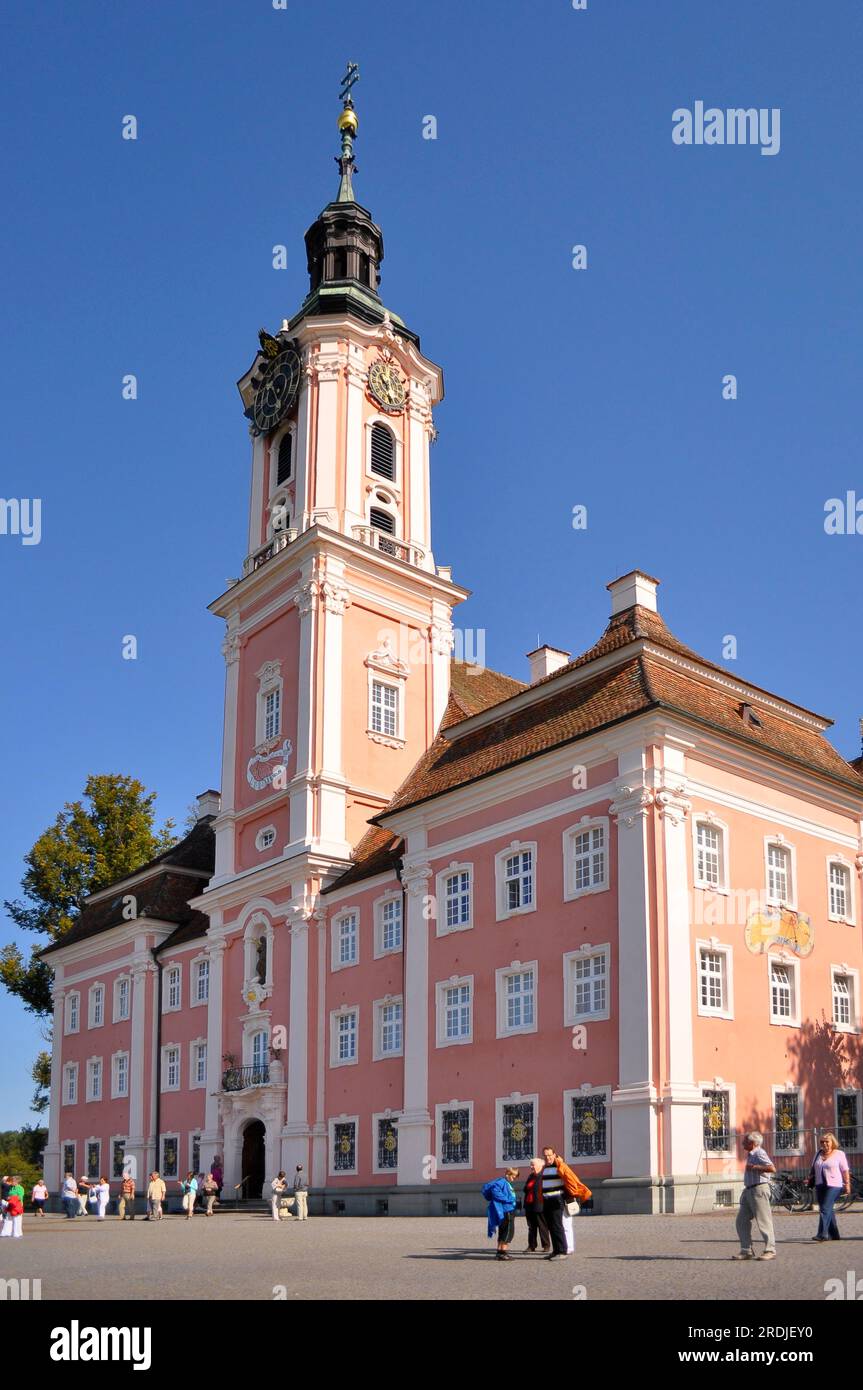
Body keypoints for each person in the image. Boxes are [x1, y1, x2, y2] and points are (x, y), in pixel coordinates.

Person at [733, 1131, 777, 1261]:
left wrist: (755, 1167)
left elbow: (772, 1168)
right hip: (749, 1190)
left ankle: (770, 1250)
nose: (742, 1143)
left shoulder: (759, 1153)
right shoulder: (751, 1153)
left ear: (752, 1143)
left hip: (759, 1189)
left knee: (764, 1221)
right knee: (741, 1221)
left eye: (745, 1141)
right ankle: (746, 1250)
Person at [539, 1146, 587, 1261]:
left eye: (550, 1155)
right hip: (547, 1200)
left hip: (557, 1199)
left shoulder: (560, 1166)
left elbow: (571, 1179)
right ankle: (555, 1251)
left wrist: (572, 1194)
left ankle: (562, 1250)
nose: (548, 1157)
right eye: (545, 1155)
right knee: (551, 1226)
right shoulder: (545, 1168)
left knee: (557, 1226)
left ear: (554, 1155)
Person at [809, 1132, 851, 1242]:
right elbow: (813, 1168)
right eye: (822, 1142)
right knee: (828, 1209)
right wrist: (810, 1179)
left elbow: (845, 1170)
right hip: (820, 1185)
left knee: (824, 1208)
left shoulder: (839, 1154)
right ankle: (835, 1234)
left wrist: (847, 1184)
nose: (824, 1144)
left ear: (832, 1142)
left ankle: (822, 1233)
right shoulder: (818, 1154)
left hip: (834, 1185)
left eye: (827, 1141)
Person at [481, 1168, 518, 1260]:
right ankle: (503, 1253)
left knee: (503, 1231)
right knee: (508, 1232)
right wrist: (508, 1199)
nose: (514, 1179)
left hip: (507, 1209)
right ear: (507, 1174)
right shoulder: (502, 1182)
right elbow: (495, 1192)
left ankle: (499, 1252)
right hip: (507, 1210)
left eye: (515, 1177)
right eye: (513, 1176)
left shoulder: (505, 1182)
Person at [522, 1158, 551, 1253]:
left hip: (540, 1204)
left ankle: (546, 1246)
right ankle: (531, 1246)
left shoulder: (543, 1176)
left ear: (540, 1165)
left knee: (542, 1226)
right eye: (531, 1165)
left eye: (533, 1165)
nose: (531, 1167)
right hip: (529, 1205)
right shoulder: (531, 1176)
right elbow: (525, 1188)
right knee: (531, 1227)